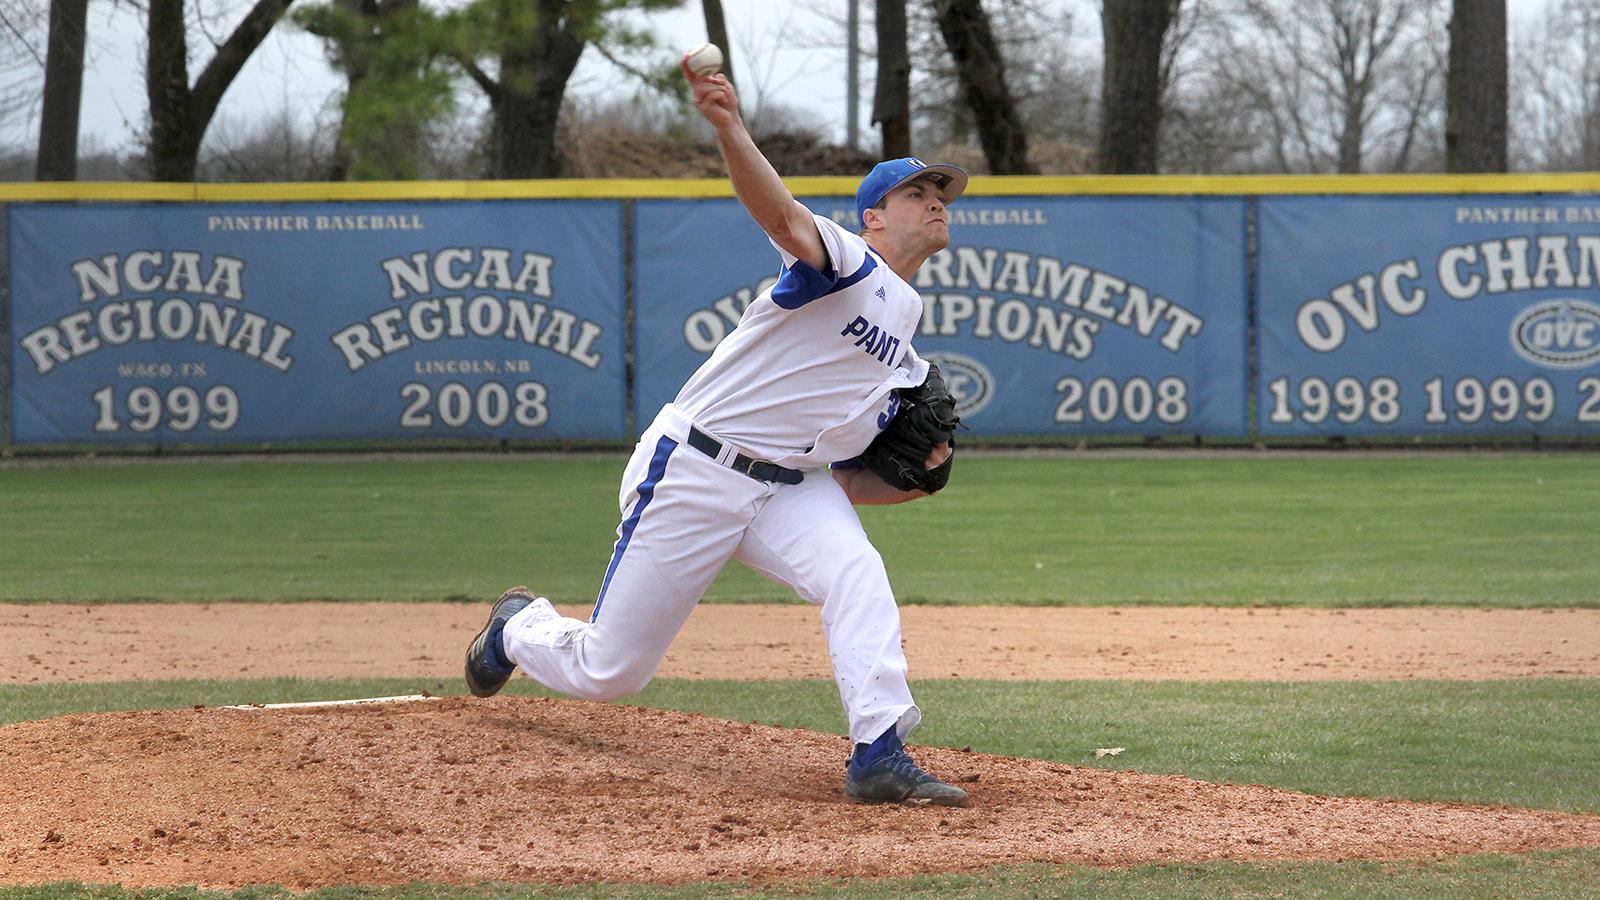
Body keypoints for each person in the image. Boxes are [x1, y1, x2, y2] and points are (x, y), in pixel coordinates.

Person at [464, 49, 970, 807]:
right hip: (696, 467)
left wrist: (920, 478)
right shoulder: (849, 262)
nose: (937, 200)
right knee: (612, 671)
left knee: (856, 573)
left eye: (942, 191)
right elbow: (781, 216)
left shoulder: (906, 342)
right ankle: (517, 628)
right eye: (917, 190)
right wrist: (729, 126)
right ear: (873, 215)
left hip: (788, 487)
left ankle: (878, 751)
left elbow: (853, 479)